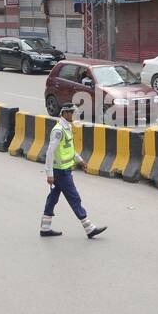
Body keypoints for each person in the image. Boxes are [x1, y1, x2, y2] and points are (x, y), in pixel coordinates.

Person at [41, 101, 106, 239]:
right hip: (61, 172)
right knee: (74, 198)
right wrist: (49, 174)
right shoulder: (58, 131)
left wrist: (80, 160)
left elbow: (69, 149)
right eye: (71, 112)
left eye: (73, 112)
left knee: (53, 198)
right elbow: (50, 152)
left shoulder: (67, 128)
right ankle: (89, 228)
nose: (73, 115)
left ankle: (45, 227)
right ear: (64, 113)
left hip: (64, 169)